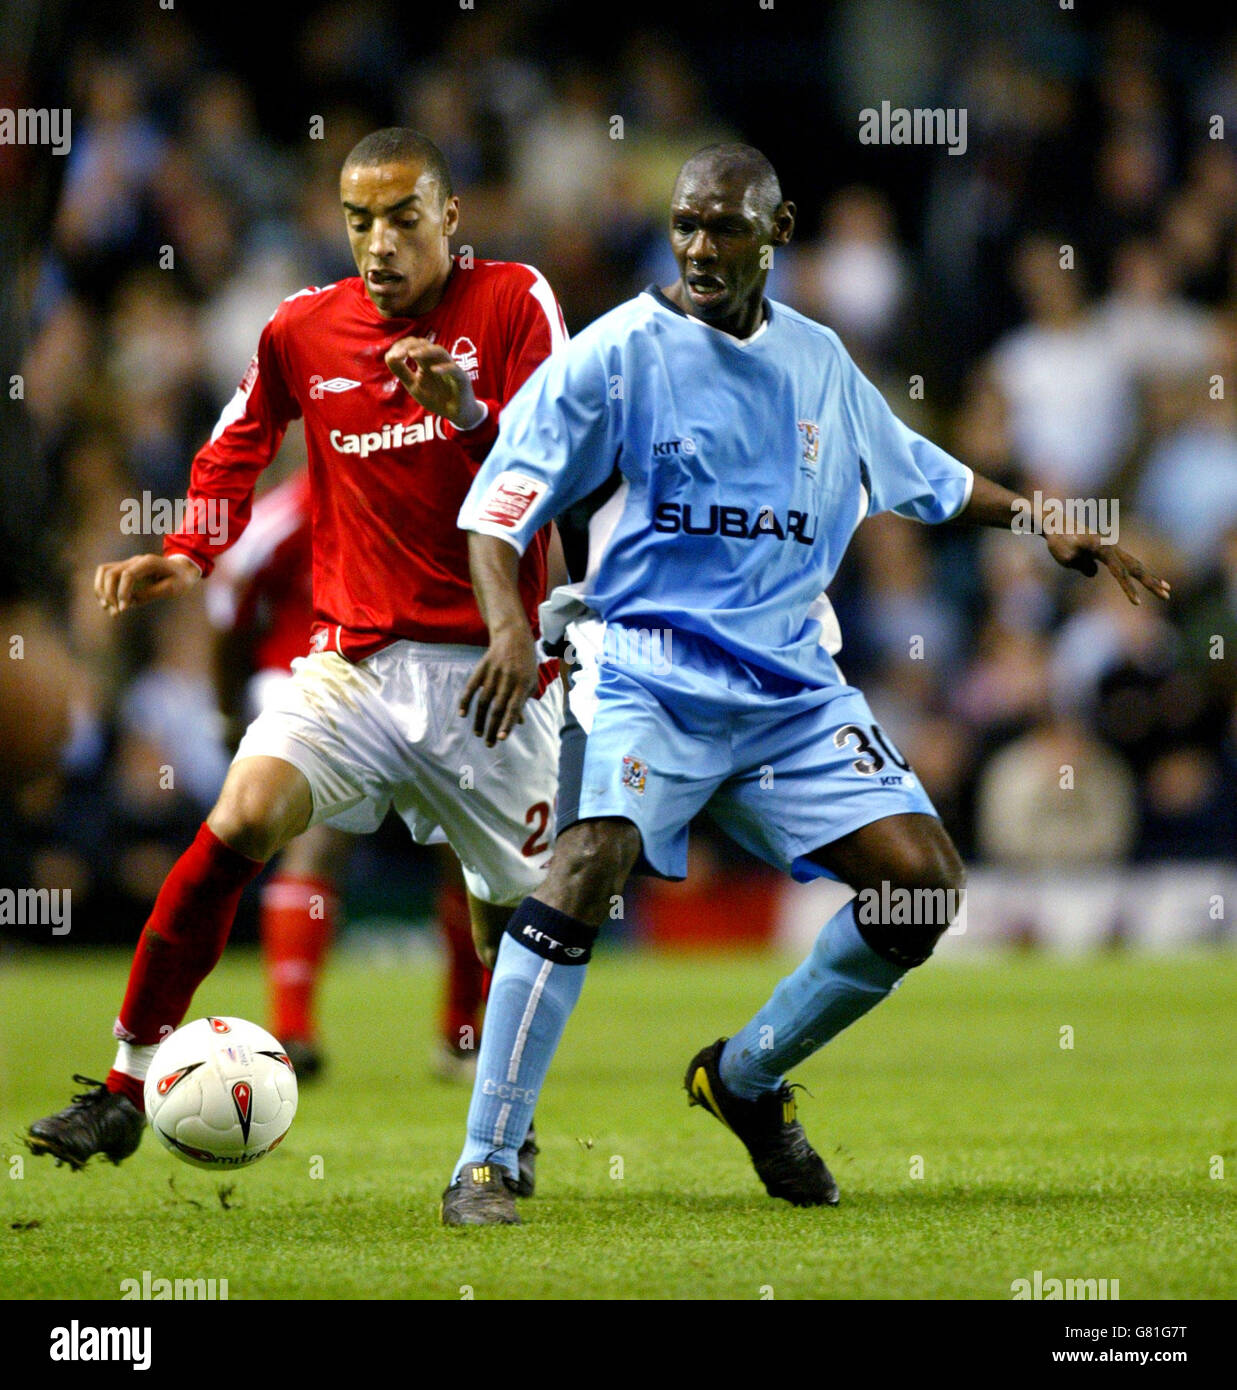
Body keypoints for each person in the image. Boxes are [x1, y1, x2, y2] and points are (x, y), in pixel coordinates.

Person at [439, 143, 1170, 1226]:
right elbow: (499, 506)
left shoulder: (822, 362)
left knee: (920, 889)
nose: (697, 246)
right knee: (588, 859)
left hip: (789, 689)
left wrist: (1038, 516)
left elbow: (923, 471)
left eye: (724, 227)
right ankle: (487, 1158)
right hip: (645, 668)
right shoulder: (617, 354)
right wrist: (508, 628)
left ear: (776, 236)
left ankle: (742, 1078)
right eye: (684, 224)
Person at [27, 129, 566, 1202]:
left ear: (449, 218)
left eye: (403, 216)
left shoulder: (512, 301)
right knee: (236, 820)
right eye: (360, 219)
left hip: (491, 676)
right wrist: (189, 545)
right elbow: (240, 434)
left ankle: (498, 1144)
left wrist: (463, 412)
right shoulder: (302, 328)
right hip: (352, 667)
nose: (378, 241)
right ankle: (126, 1088)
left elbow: (560, 450)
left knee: (524, 912)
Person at [206, 467, 491, 1082]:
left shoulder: (442, 486)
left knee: (462, 849)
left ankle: (460, 1033)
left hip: (427, 679)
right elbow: (229, 600)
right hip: (309, 674)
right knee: (318, 835)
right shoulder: (299, 506)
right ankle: (293, 1032)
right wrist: (229, 709)